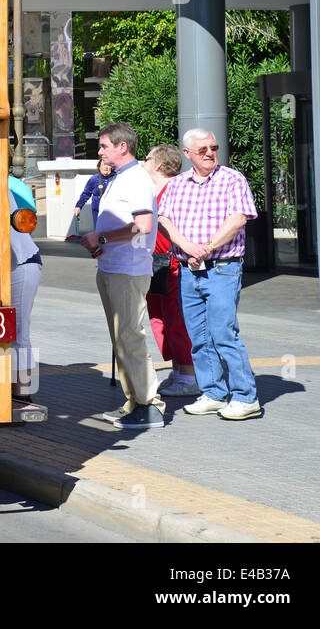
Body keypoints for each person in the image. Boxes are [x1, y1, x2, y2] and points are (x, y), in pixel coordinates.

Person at [157, 128, 261, 420]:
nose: (209, 153)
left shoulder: (232, 179)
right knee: (198, 336)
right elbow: (164, 217)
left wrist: (208, 246)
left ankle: (245, 397)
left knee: (224, 333)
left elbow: (239, 217)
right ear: (188, 154)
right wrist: (186, 245)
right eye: (201, 149)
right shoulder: (177, 184)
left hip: (223, 268)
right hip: (190, 270)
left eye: (213, 147)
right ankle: (213, 392)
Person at [80, 121, 163, 430]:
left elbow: (143, 225)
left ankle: (148, 404)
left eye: (104, 146)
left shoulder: (136, 179)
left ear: (122, 147)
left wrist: (101, 239)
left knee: (129, 336)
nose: (100, 152)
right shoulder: (122, 178)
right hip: (114, 268)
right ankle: (134, 402)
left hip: (128, 271)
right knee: (122, 338)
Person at [142, 144, 198, 397]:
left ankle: (189, 374)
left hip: (174, 261)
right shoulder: (151, 191)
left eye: (147, 158)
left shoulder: (175, 189)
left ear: (159, 165)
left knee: (176, 319)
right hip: (155, 262)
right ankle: (178, 371)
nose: (143, 163)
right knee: (160, 318)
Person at [9, 175, 41, 397]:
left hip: (21, 261)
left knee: (18, 330)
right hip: (11, 262)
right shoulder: (10, 184)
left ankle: (22, 391)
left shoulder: (4, 184)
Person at [74, 159, 113, 229]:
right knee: (99, 231)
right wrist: (78, 206)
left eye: (108, 165)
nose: (106, 167)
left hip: (112, 210)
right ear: (99, 167)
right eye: (103, 165)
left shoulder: (116, 177)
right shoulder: (94, 179)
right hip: (98, 210)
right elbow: (86, 194)